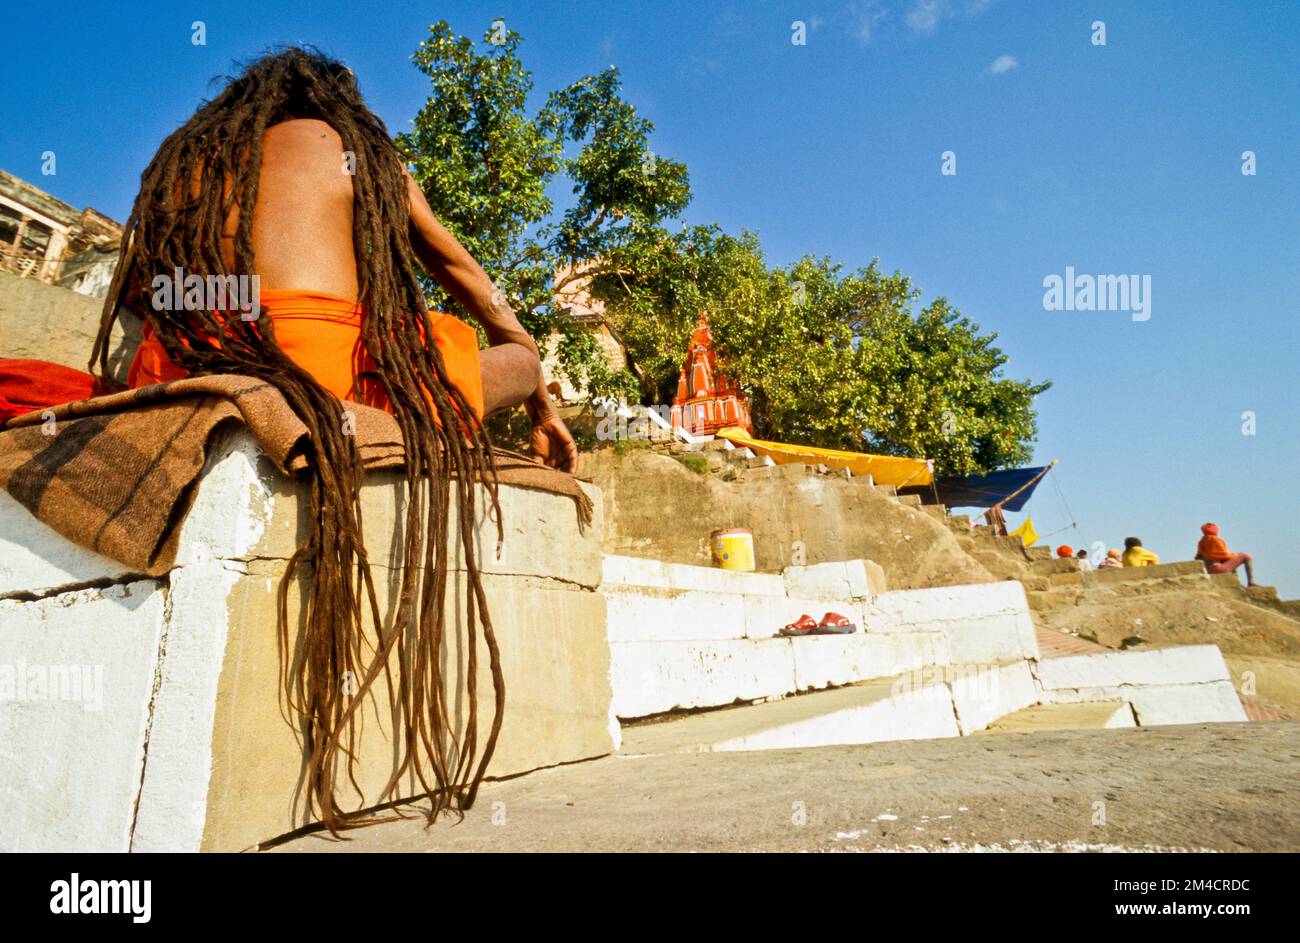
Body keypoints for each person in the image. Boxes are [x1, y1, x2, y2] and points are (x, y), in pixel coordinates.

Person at [91, 47, 578, 831]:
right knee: (517, 358)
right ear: (334, 100)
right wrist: (543, 403)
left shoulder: (184, 160)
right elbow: (462, 271)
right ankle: (534, 392)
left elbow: (143, 294)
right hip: (320, 363)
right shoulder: (353, 150)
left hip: (188, 354)